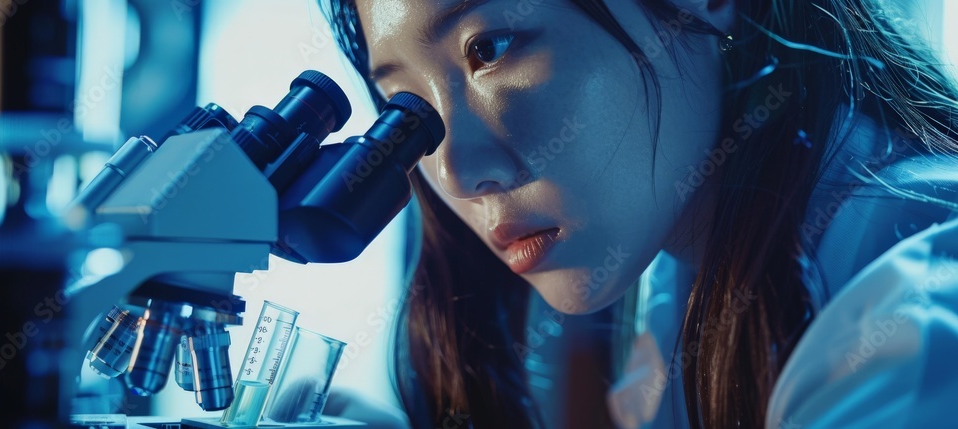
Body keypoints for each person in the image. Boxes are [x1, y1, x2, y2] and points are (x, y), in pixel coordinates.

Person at [313, 0, 958, 427]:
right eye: (402, 103)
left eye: (491, 47)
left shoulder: (914, 326)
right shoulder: (691, 287)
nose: (456, 172)